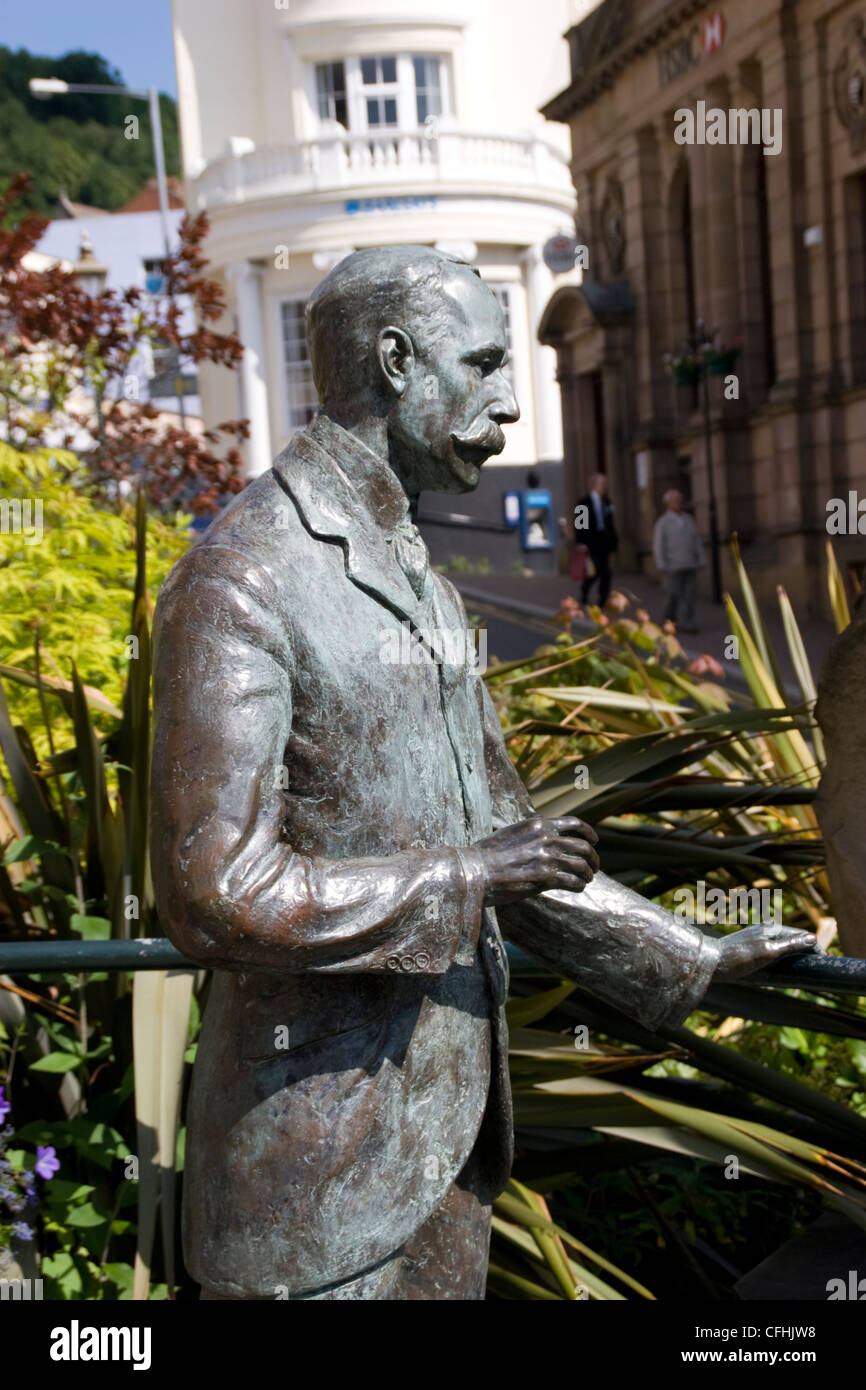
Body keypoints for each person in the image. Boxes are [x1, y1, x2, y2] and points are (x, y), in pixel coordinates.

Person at [150, 246, 814, 1301]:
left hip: (448, 1152)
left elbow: (517, 840)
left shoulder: (422, 575)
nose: (510, 403)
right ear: (397, 361)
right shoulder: (240, 578)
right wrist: (464, 877)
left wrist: (689, 957)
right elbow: (210, 890)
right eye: (483, 364)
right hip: (312, 1199)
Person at [653, 488, 704, 632]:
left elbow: (696, 540)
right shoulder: (663, 522)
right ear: (668, 503)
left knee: (689, 594)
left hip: (689, 562)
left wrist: (701, 558)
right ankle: (669, 619)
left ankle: (687, 622)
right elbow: (658, 545)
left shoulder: (688, 519)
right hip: (672, 565)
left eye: (680, 500)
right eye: (675, 501)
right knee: (673, 594)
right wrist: (661, 563)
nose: (678, 503)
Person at [574, 472, 618, 605]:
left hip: (604, 541)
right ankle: (585, 590)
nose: (605, 487)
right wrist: (581, 542)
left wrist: (614, 541)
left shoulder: (607, 502)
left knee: (606, 573)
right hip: (590, 542)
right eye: (602, 484)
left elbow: (610, 524)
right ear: (594, 485)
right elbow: (579, 525)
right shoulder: (583, 502)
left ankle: (603, 600)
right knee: (594, 571)